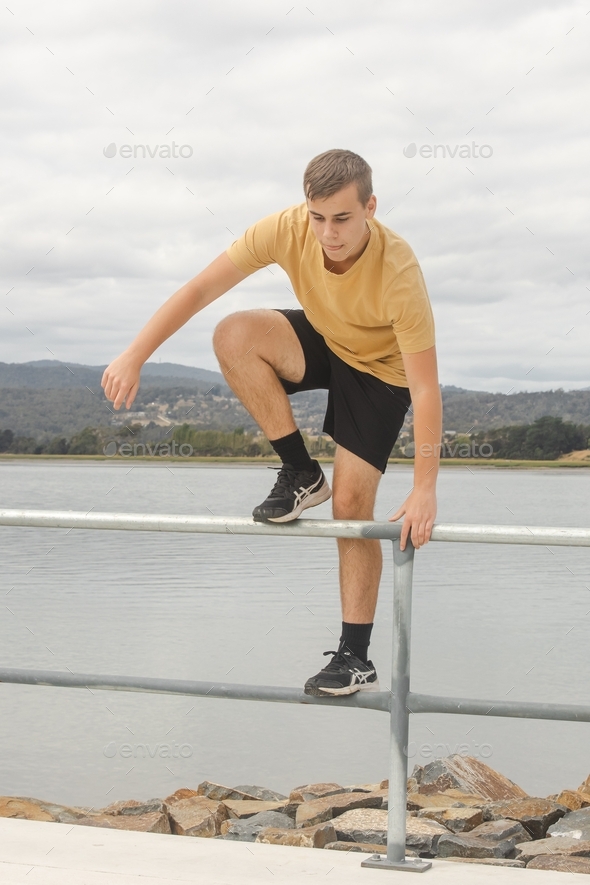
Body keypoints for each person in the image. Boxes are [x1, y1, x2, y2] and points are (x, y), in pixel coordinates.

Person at [101, 149, 442, 698]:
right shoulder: (286, 229)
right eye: (318, 218)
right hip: (332, 339)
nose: (328, 234)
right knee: (233, 332)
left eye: (343, 219)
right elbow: (198, 290)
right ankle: (300, 473)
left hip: (382, 371)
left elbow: (426, 386)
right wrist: (134, 354)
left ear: (371, 208)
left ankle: (355, 656)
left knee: (352, 507)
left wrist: (425, 488)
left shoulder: (398, 270)